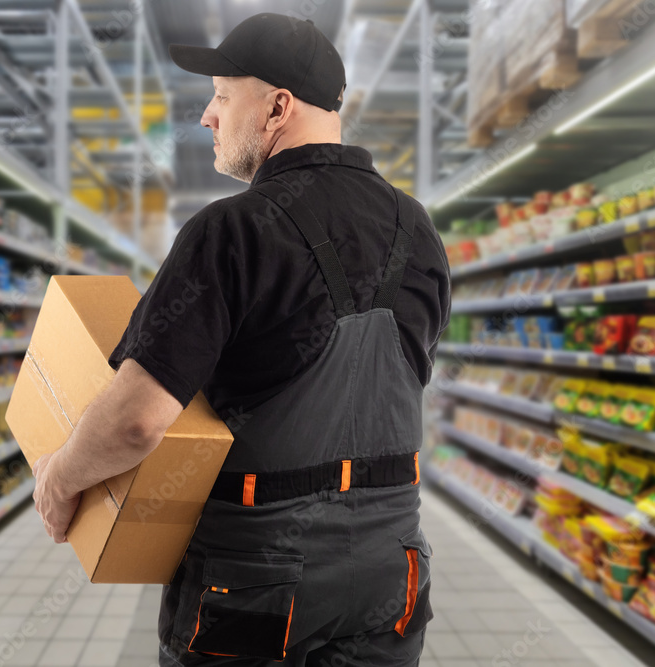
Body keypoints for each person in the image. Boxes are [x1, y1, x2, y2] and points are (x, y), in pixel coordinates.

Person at [32, 12, 450, 666]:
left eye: (223, 95)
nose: (207, 115)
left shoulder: (231, 232)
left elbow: (139, 418)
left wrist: (60, 477)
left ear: (278, 106)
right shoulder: (418, 230)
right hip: (390, 569)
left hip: (261, 577)